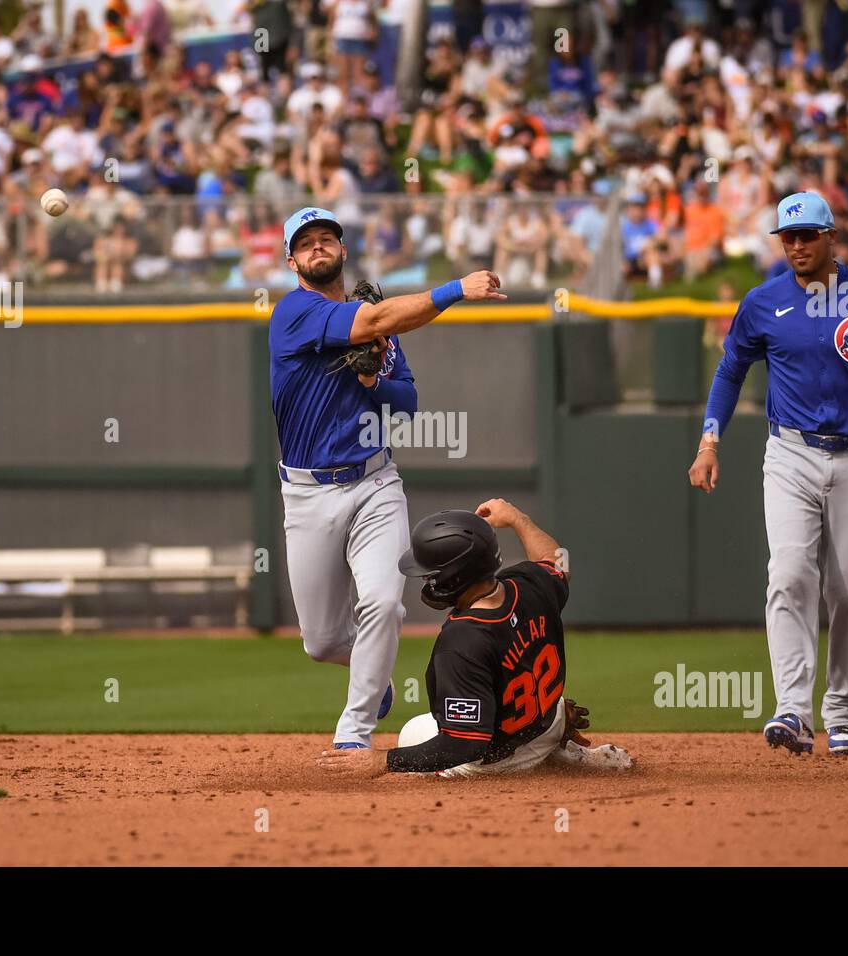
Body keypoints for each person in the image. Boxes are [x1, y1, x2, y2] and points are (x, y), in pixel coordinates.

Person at [688, 193, 848, 757]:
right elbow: (730, 372)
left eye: (806, 235)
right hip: (789, 454)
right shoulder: (762, 301)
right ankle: (793, 711)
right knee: (789, 573)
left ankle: (843, 712)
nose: (795, 244)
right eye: (787, 236)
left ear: (830, 236)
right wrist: (709, 441)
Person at [269, 206, 504, 748]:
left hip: (375, 485)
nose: (317, 247)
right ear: (292, 261)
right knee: (322, 642)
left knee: (382, 601)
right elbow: (374, 322)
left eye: (327, 238)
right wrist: (455, 289)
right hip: (306, 493)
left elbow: (409, 404)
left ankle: (353, 734)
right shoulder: (294, 312)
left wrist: (375, 376)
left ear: (343, 250)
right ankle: (373, 682)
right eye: (306, 244)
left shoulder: (382, 330)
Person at [316, 501, 633, 777]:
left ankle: (543, 759)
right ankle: (559, 748)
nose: (427, 580)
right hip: (548, 722)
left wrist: (382, 761)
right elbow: (556, 562)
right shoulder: (529, 583)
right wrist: (517, 519)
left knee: (413, 733)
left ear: (454, 576)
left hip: (498, 761)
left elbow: (466, 742)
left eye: (431, 573)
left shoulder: (461, 641)